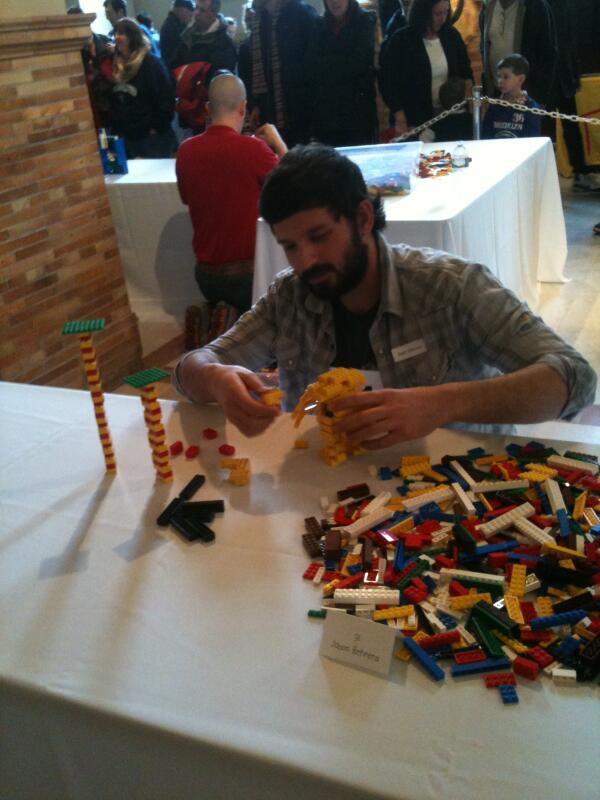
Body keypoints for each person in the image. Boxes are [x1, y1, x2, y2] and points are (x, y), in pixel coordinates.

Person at [173, 144, 597, 445]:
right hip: (328, 487)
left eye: (318, 237)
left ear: (362, 218)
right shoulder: (290, 296)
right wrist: (214, 379)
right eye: (290, 246)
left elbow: (575, 379)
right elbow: (192, 367)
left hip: (452, 490)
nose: (305, 261)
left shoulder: (451, 286)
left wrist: (441, 405)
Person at [176, 74, 287, 346]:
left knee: (232, 304)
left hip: (205, 275)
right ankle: (234, 323)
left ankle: (217, 317)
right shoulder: (254, 149)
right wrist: (278, 142)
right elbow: (297, 183)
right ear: (243, 107)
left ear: (207, 108)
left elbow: (188, 199)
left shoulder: (186, 151)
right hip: (247, 276)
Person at [379, 0, 473, 140]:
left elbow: (466, 71)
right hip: (415, 121)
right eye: (438, 14)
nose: (443, 19)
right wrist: (400, 117)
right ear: (423, 13)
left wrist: (470, 102)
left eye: (446, 12)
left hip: (450, 118)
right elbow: (387, 82)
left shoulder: (451, 35)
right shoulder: (401, 40)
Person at [243, 0, 317, 147]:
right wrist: (255, 103)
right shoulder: (260, 17)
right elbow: (255, 66)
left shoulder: (301, 13)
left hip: (298, 108)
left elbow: (313, 65)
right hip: (268, 108)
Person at [304, 0, 377, 147]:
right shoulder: (318, 24)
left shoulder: (365, 21)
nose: (335, 2)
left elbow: (359, 63)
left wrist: (328, 63)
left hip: (358, 109)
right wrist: (343, 60)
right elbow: (311, 64)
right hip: (326, 112)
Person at [108, 17, 176, 157]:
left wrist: (156, 127)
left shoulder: (151, 63)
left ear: (132, 37)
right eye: (116, 33)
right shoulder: (117, 66)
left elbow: (166, 98)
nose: (117, 37)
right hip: (128, 138)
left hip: (151, 138)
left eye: (122, 33)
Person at [479, 0, 557, 109]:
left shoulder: (536, 6)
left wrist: (539, 98)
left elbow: (548, 55)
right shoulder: (487, 7)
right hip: (497, 94)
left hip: (528, 96)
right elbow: (484, 49)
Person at [482, 54, 541, 139]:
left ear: (520, 79)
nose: (500, 81)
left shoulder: (531, 107)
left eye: (506, 77)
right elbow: (485, 136)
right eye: (498, 76)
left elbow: (534, 140)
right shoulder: (494, 106)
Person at [171, 0, 237, 72]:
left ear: (213, 14)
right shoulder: (187, 35)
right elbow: (174, 65)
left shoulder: (224, 43)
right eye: (196, 8)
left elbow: (222, 75)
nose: (196, 13)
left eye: (202, 10)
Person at [160, 0, 195, 69]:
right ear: (182, 11)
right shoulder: (175, 27)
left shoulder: (171, 23)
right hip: (174, 68)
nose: (191, 19)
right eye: (190, 15)